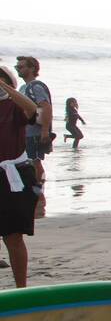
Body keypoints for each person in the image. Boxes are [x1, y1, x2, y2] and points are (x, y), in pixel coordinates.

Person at [0, 66, 40, 287]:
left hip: (14, 176)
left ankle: (21, 287)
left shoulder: (14, 105)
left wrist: (4, 87)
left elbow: (32, 108)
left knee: (13, 236)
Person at [16, 57, 51, 217]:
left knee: (35, 163)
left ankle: (38, 194)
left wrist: (44, 131)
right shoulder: (24, 87)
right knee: (30, 163)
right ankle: (33, 192)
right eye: (17, 66)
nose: (18, 68)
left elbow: (45, 107)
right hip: (26, 132)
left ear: (32, 68)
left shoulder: (35, 86)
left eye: (21, 66)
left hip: (35, 133)